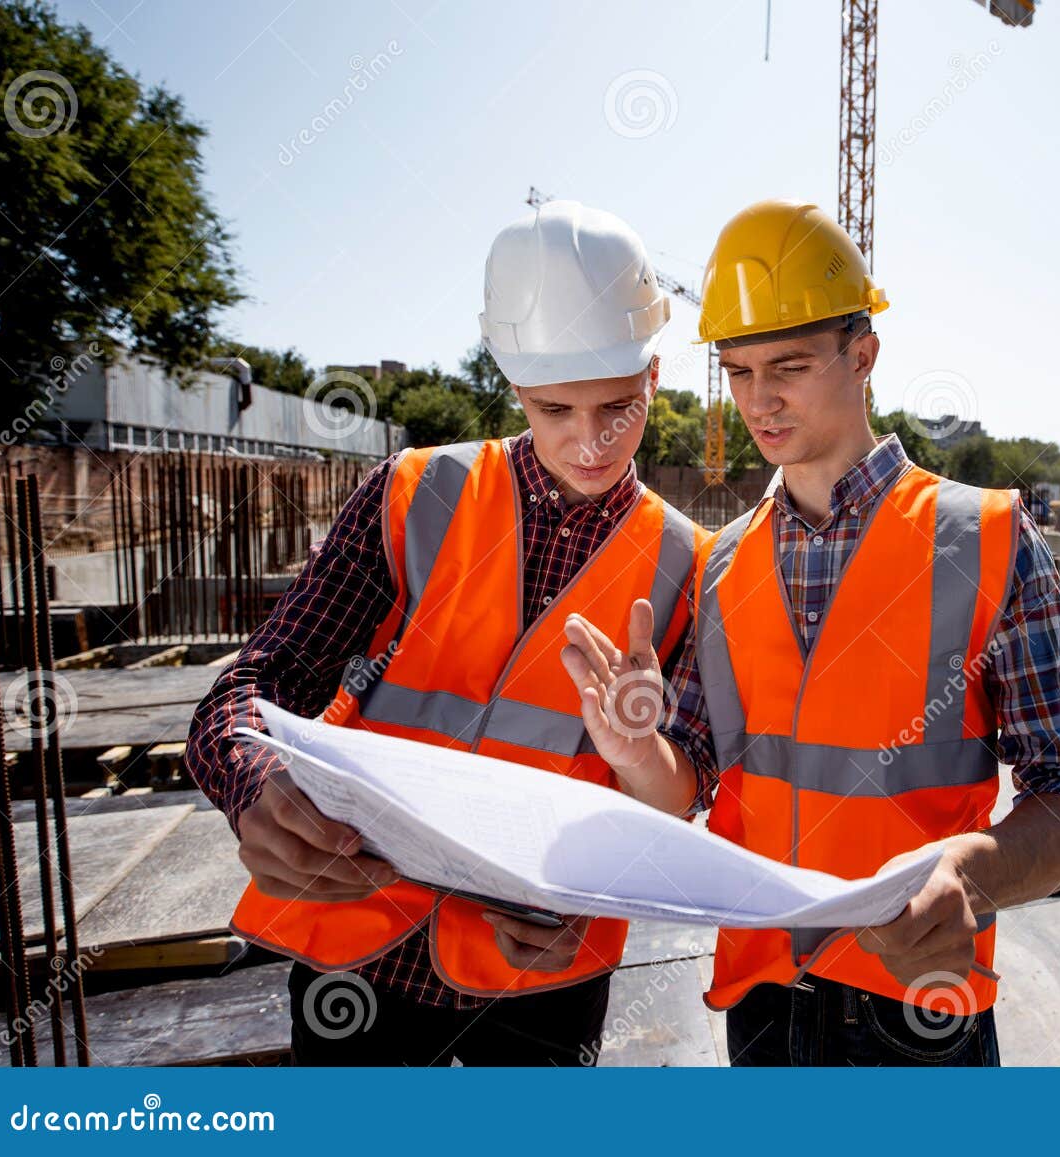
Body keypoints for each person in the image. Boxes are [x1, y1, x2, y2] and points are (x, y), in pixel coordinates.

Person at [565, 198, 1060, 1066]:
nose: (760, 399)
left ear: (863, 355)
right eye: (738, 370)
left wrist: (974, 876)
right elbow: (690, 782)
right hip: (764, 1000)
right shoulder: (722, 566)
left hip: (916, 1009)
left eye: (787, 365)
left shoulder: (985, 538)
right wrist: (638, 750)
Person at [186, 201, 704, 1066]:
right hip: (359, 949)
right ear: (513, 386)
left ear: (654, 375)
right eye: (555, 408)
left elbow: (684, 802)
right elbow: (253, 684)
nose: (589, 442)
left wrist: (637, 779)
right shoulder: (413, 493)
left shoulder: (688, 563)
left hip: (539, 968)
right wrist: (255, 787)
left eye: (618, 406)